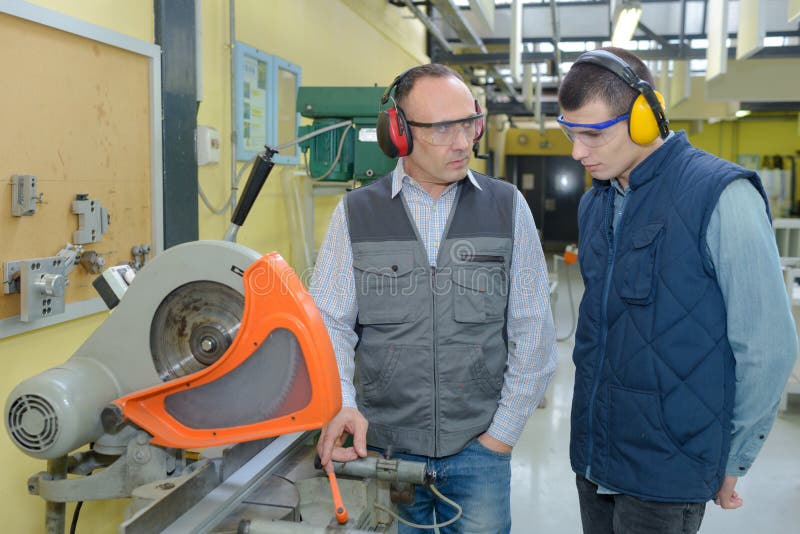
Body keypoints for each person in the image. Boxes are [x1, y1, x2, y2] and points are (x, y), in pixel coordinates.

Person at [558, 47, 798, 534]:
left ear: (645, 118)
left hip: (669, 467)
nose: (578, 152)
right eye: (569, 132)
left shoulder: (721, 195)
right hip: (595, 455)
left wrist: (734, 456)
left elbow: (768, 345)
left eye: (592, 133)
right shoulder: (593, 204)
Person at [310, 63, 557, 533]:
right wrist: (342, 402)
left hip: (478, 452)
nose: (463, 141)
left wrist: (500, 438)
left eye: (470, 123)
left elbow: (534, 333)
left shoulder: (506, 208)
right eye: (443, 128)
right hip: (382, 452)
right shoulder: (356, 215)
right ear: (399, 133)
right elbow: (329, 324)